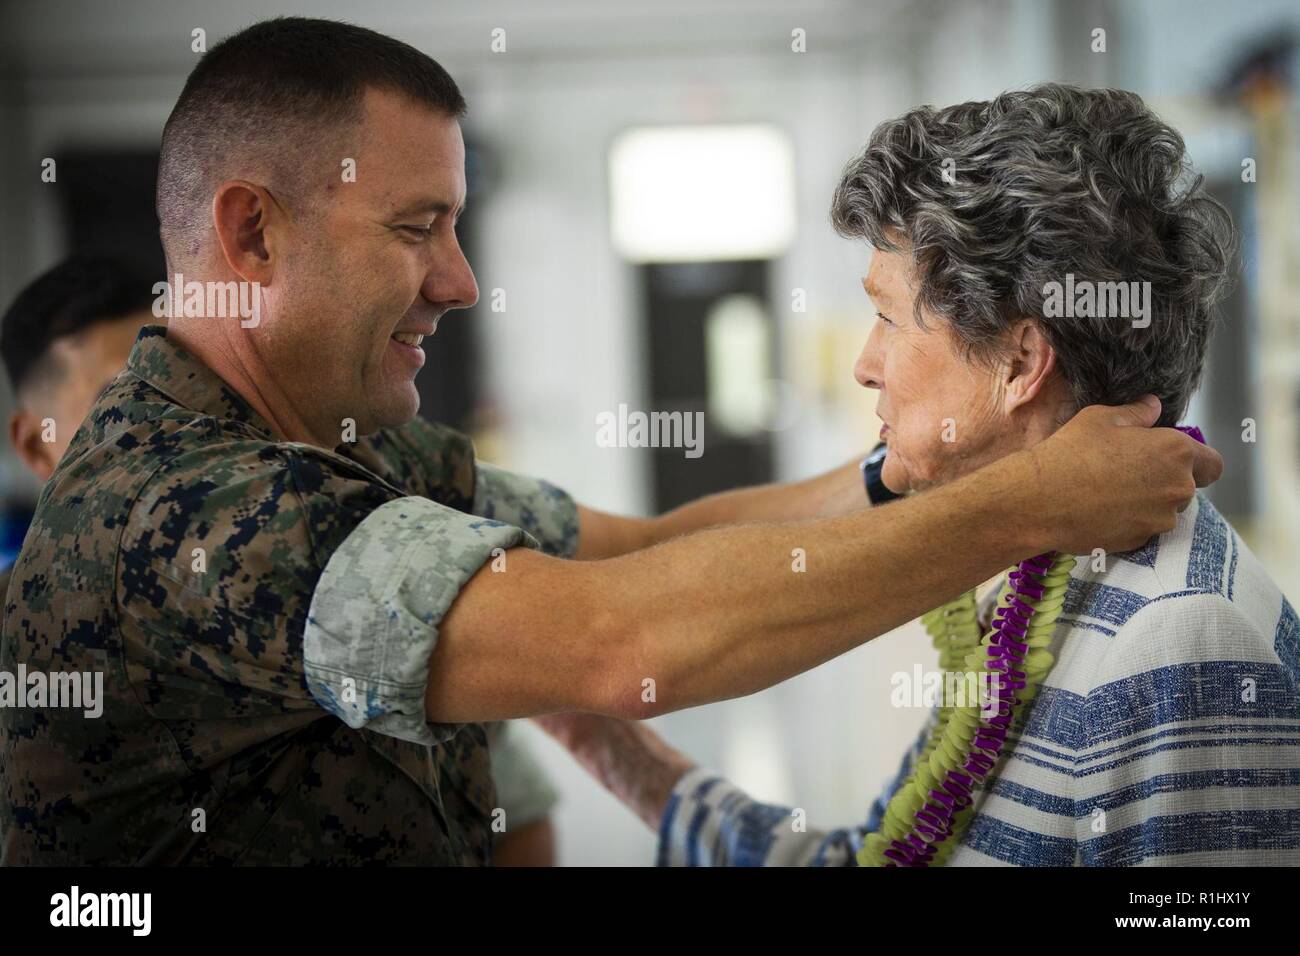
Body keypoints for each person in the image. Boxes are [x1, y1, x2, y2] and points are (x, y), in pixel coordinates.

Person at [0, 22, 1219, 866]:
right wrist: (1032, 502)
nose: (462, 282)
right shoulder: (180, 510)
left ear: (1021, 358)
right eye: (417, 227)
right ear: (251, 233)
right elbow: (614, 639)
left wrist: (894, 478)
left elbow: (645, 549)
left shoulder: (352, 444)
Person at [539, 84, 1299, 867]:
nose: (864, 366)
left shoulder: (1175, 635)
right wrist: (618, 757)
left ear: (1020, 362)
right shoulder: (1044, 576)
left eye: (888, 317)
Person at [0, 256, 561, 865]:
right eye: (121, 405)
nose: (180, 431)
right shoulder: (36, 643)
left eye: (185, 390)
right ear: (36, 443)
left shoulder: (325, 514)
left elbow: (513, 803)